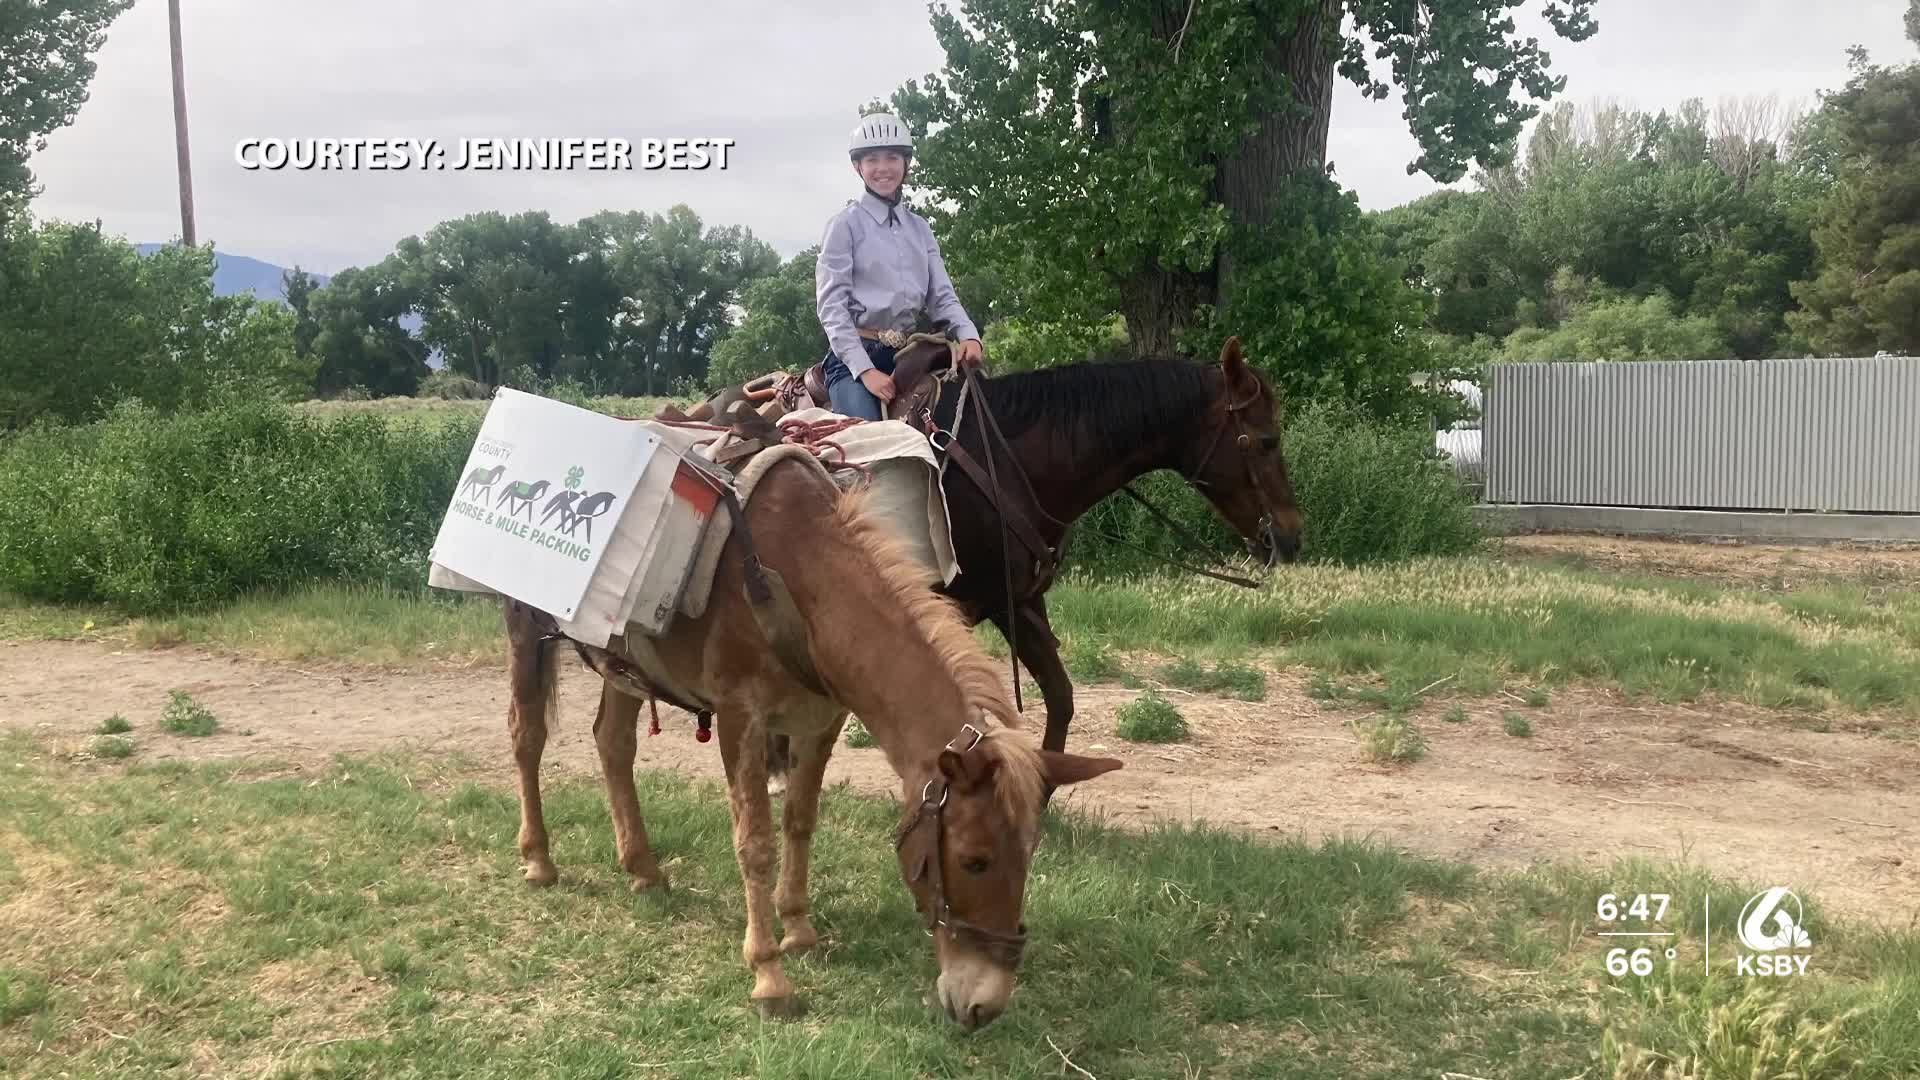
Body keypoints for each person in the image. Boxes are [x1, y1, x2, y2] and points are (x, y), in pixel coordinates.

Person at [814, 111, 983, 421]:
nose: (882, 168)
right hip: (855, 358)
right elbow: (831, 309)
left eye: (892, 157)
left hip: (911, 355)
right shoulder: (844, 226)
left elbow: (942, 296)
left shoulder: (920, 228)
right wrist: (865, 371)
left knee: (978, 415)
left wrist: (969, 334)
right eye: (872, 159)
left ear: (906, 163)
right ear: (857, 167)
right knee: (876, 450)